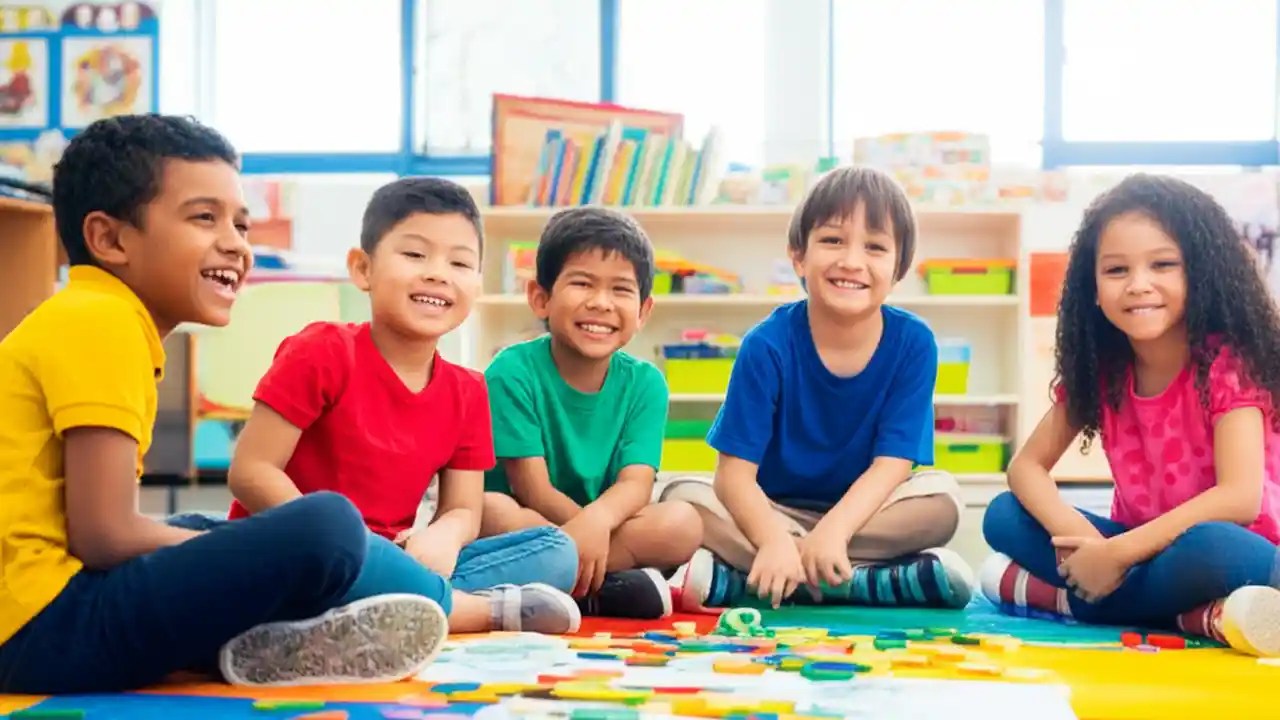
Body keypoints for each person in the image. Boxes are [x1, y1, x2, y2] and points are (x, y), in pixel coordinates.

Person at [0, 115, 447, 694]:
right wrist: (252, 552)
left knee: (217, 526)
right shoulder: (102, 322)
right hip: (43, 630)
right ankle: (334, 621)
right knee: (325, 526)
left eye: (241, 223)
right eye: (204, 218)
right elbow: (104, 534)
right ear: (110, 239)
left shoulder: (92, 314)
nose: (236, 244)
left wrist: (239, 547)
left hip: (38, 619)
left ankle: (276, 638)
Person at [224, 177, 581, 635]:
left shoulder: (469, 391)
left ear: (476, 282)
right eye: (415, 254)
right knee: (210, 544)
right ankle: (457, 609)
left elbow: (463, 509)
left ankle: (385, 609)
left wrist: (443, 536)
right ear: (363, 269)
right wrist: (336, 542)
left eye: (460, 262)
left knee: (556, 551)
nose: (438, 273)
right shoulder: (322, 350)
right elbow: (251, 471)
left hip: (396, 559)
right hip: (297, 550)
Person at [980, 173, 1280, 657]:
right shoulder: (1103, 369)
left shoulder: (1227, 363)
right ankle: (1192, 615)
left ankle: (1083, 602)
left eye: (1163, 264)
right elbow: (1025, 467)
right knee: (1003, 516)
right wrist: (1090, 547)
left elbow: (1240, 499)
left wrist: (1114, 556)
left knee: (1211, 546)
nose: (1139, 285)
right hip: (1137, 552)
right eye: (1117, 270)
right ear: (1093, 288)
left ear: (1201, 273)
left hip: (1235, 546)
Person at [662, 166, 973, 611]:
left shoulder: (914, 343)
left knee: (942, 502)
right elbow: (733, 477)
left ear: (898, 268)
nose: (852, 261)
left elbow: (892, 466)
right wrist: (773, 538)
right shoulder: (766, 345)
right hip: (772, 512)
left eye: (875, 247)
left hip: (866, 516)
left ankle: (762, 576)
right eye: (832, 240)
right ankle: (855, 579)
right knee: (682, 497)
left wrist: (834, 532)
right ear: (798, 257)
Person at [479, 206, 702, 619]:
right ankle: (601, 587)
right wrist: (585, 532)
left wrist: (597, 522)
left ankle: (560, 583)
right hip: (530, 522)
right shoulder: (510, 371)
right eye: (582, 283)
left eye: (621, 289)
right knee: (492, 511)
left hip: (604, 527)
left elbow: (636, 484)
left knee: (681, 523)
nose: (601, 303)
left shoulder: (646, 383)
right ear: (540, 298)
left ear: (644, 310)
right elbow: (532, 488)